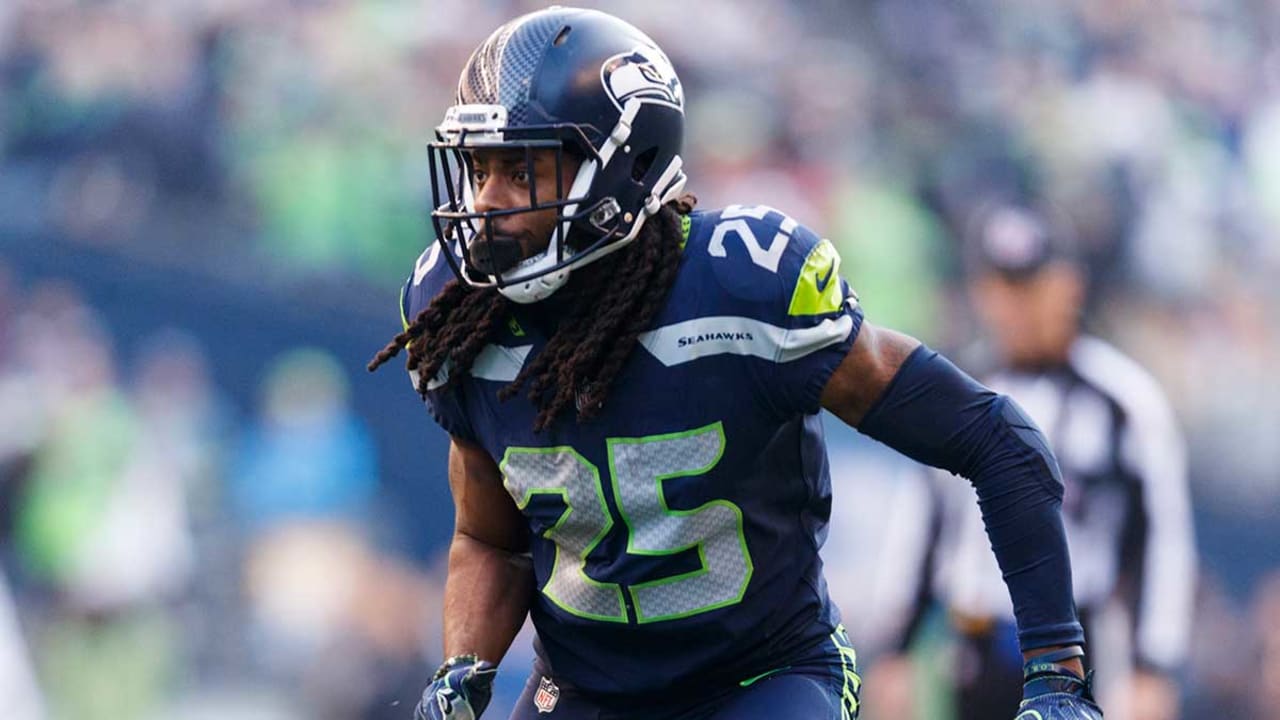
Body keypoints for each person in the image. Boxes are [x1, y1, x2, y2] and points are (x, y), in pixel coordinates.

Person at [369, 8, 1102, 720]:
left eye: (521, 172)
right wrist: (466, 666)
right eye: (479, 169)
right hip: (587, 693)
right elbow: (492, 540)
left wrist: (1054, 674)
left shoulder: (741, 291)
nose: (487, 204)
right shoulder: (460, 319)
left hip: (760, 681)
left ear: (627, 166)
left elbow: (996, 441)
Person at [873, 204, 1195, 720]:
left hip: (1081, 648)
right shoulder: (959, 386)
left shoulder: (1124, 399)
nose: (1013, 306)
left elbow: (1160, 540)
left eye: (1029, 286)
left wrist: (1152, 664)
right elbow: (923, 524)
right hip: (972, 642)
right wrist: (896, 647)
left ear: (1069, 285)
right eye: (1001, 287)